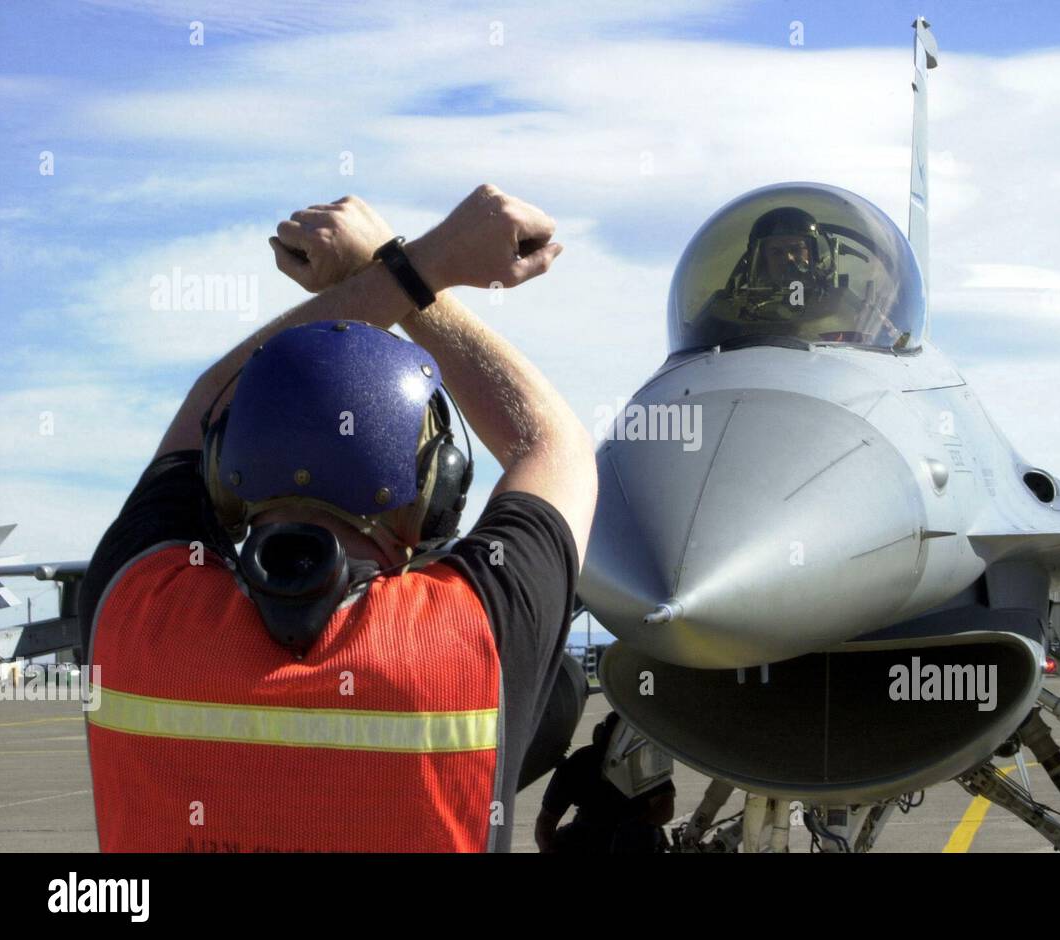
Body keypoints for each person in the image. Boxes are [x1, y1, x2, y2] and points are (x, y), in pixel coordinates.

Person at [77, 186, 596, 852]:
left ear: (223, 465)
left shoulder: (133, 608)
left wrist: (413, 267)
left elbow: (206, 400)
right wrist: (403, 267)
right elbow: (552, 444)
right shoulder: (476, 634)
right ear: (433, 491)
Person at [534, 712, 675, 853]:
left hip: (634, 835)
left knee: (639, 837)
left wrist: (640, 826)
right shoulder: (579, 764)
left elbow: (664, 805)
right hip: (589, 832)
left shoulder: (644, 763)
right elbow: (545, 823)